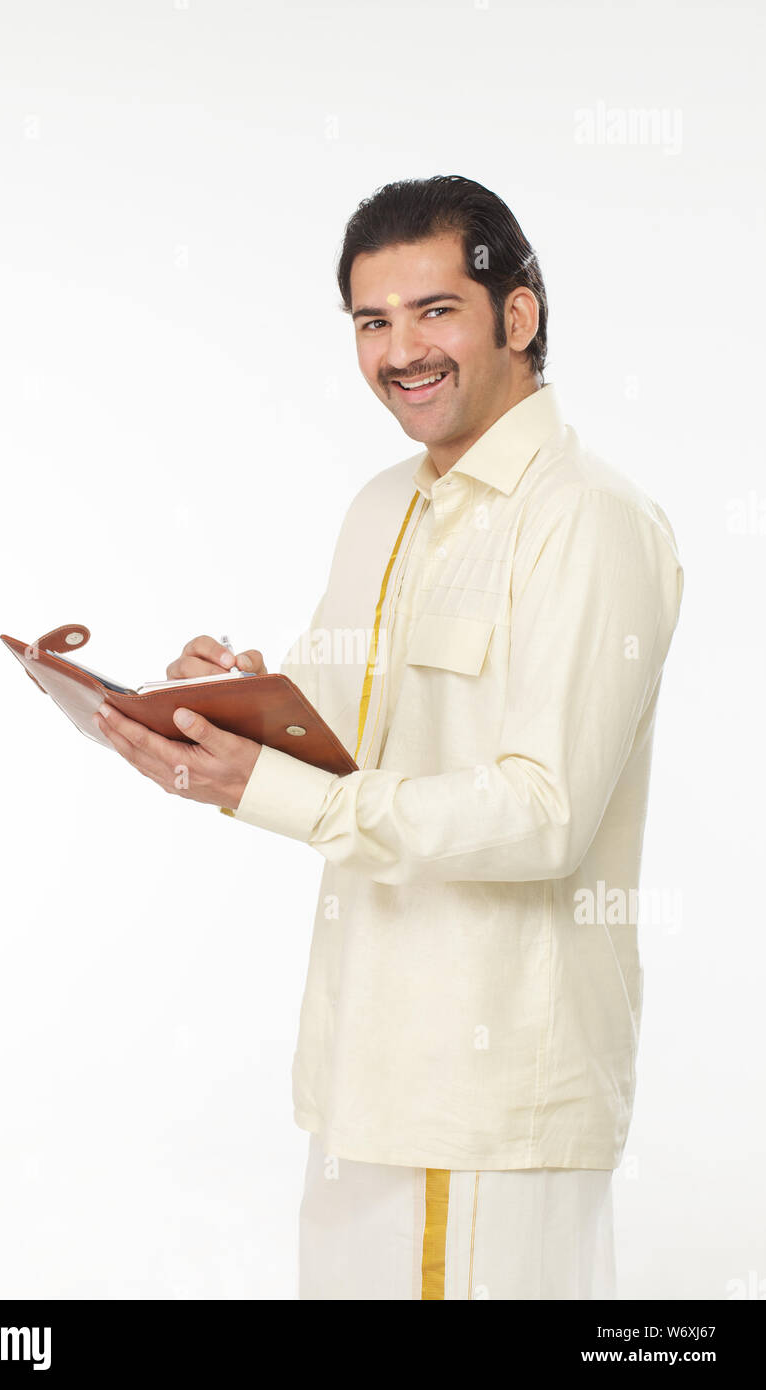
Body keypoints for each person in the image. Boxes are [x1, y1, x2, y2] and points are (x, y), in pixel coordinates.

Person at [95, 175, 684, 1300]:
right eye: (372, 322)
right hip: (357, 1078)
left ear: (516, 315)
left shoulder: (588, 518)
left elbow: (543, 813)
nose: (399, 351)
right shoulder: (381, 503)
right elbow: (347, 740)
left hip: (485, 1099)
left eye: (433, 311)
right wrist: (233, 702)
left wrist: (267, 788)